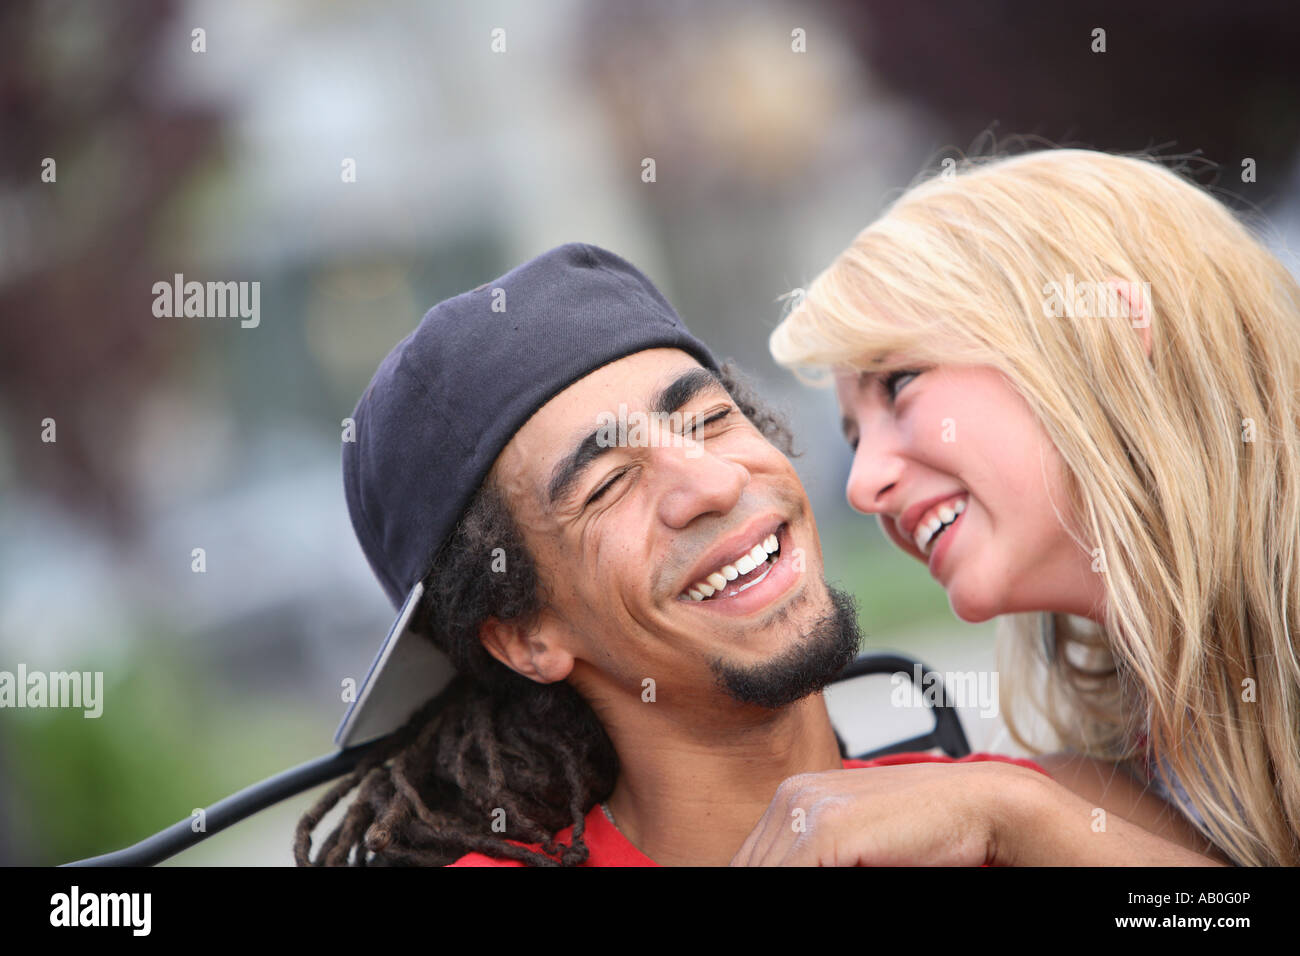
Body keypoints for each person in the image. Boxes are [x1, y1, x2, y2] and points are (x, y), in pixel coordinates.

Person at [293, 242, 1049, 867]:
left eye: (710, 419)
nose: (714, 482)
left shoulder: (1007, 820)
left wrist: (1018, 818)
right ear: (526, 637)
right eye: (610, 483)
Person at [766, 147, 1300, 866]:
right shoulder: (1138, 750)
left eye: (897, 382)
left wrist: (1019, 813)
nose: (862, 486)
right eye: (854, 437)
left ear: (1104, 337)